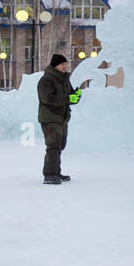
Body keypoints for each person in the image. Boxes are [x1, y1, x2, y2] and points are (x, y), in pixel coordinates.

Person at [37, 53, 80, 184]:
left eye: (65, 64)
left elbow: (70, 96)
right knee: (53, 146)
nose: (65, 67)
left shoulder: (64, 79)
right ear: (56, 65)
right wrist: (68, 98)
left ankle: (56, 172)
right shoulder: (46, 80)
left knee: (60, 146)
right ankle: (49, 175)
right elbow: (47, 99)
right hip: (50, 118)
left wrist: (75, 96)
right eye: (63, 64)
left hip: (62, 118)